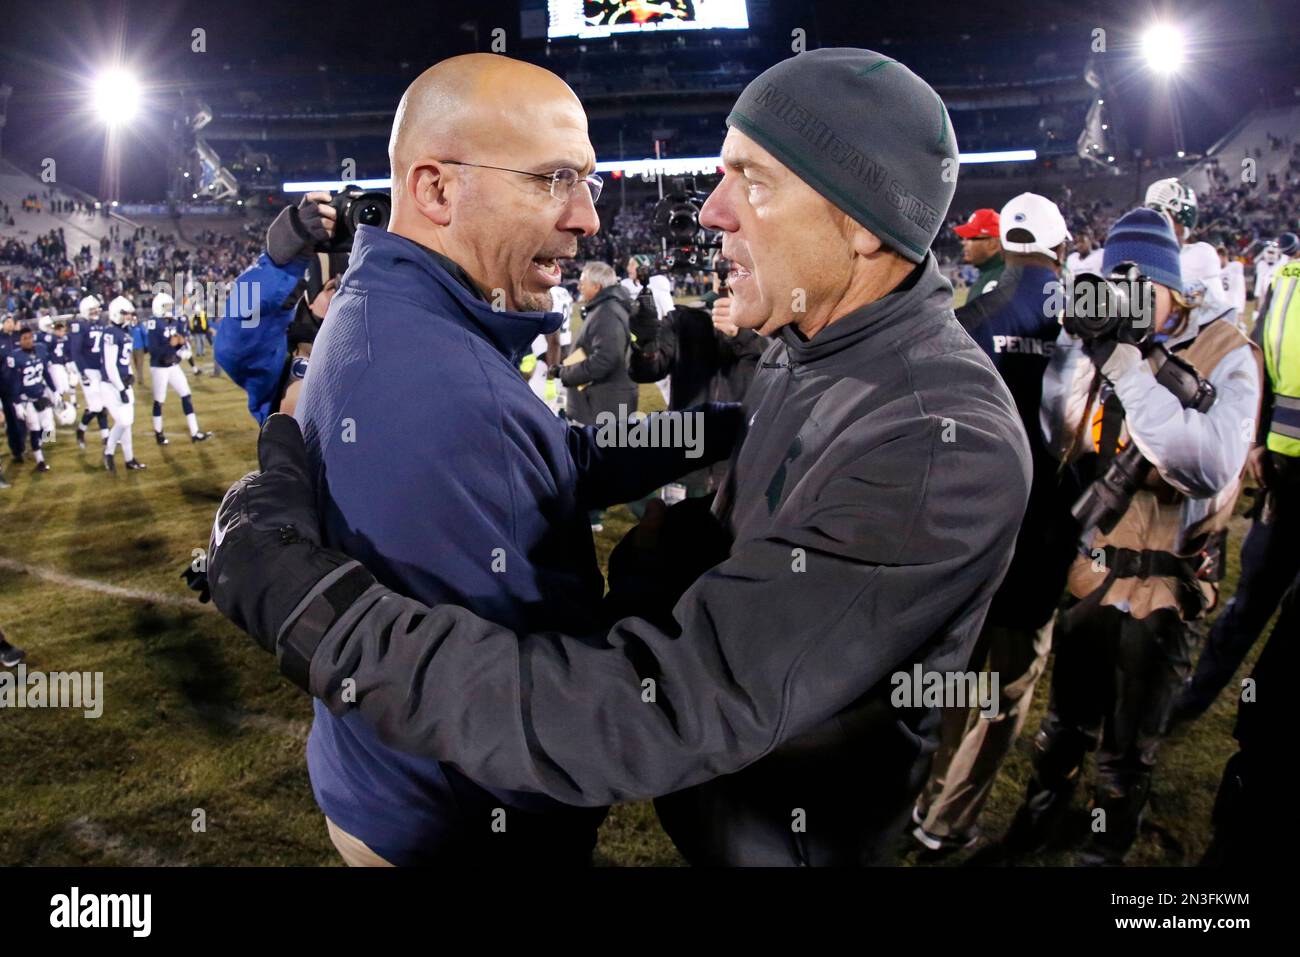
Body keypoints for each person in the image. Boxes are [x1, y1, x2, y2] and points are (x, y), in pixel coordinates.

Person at [204, 48, 1032, 867]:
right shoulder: (814, 337)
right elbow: (562, 458)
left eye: (753, 180)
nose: (710, 212)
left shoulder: (938, 444)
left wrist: (317, 615)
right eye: (552, 178)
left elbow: (650, 708)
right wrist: (709, 436)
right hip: (646, 813)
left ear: (860, 223)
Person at [211, 53, 740, 868]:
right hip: (459, 831)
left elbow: (562, 456)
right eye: (555, 178)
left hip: (384, 788)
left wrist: (713, 430)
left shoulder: (387, 305)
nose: (588, 218)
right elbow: (538, 709)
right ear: (435, 189)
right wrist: (661, 567)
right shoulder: (455, 394)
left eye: (588, 182)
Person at [1005, 208, 1262, 864]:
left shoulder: (1231, 351)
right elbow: (1062, 434)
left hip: (1171, 585)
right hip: (1095, 568)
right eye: (1110, 281)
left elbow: (1203, 460)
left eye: (1134, 283)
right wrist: (1083, 352)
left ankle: (1105, 850)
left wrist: (1125, 362)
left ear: (1172, 287)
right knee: (1064, 725)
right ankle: (1040, 816)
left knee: (1127, 745)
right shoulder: (1107, 335)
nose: (1118, 295)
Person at [914, 193, 1081, 852]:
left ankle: (921, 792)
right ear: (1060, 246)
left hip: (966, 525)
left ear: (1005, 244)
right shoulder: (1076, 308)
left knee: (958, 669)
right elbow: (1080, 432)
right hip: (1041, 528)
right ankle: (946, 820)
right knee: (1006, 687)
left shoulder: (973, 313)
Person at [1174, 256, 1300, 724]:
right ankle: (1190, 701)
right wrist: (1257, 438)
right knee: (1250, 598)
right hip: (1283, 478)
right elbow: (1263, 358)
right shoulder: (1287, 280)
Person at [215, 192, 340, 423]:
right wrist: (280, 266)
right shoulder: (282, 358)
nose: (345, 297)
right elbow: (233, 342)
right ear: (309, 299)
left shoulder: (388, 342)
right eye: (335, 286)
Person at [145, 292, 211, 445]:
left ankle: (195, 432)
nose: (170, 309)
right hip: (159, 367)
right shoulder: (155, 323)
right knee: (159, 401)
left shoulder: (173, 322)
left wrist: (181, 347)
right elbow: (153, 350)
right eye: (166, 306)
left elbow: (179, 341)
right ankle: (158, 433)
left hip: (173, 365)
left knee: (186, 395)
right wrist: (171, 344)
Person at [99, 296, 146, 473]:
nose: (128, 316)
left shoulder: (124, 332)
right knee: (124, 420)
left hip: (122, 382)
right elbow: (110, 365)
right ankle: (109, 451)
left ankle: (129, 459)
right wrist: (120, 388)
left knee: (128, 425)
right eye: (125, 313)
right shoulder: (111, 332)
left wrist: (131, 375)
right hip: (111, 385)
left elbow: (124, 361)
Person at [3, 326, 55, 472]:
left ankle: (37, 445)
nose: (28, 341)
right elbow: (13, 382)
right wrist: (18, 403)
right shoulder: (15, 357)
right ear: (19, 341)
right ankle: (40, 460)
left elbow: (46, 373)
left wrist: (54, 391)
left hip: (41, 395)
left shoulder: (40, 349)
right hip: (27, 400)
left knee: (49, 430)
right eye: (25, 338)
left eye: (30, 337)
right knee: (35, 428)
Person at [71, 295, 109, 450]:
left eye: (96, 309)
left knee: (102, 404)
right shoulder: (80, 326)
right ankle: (80, 431)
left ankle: (106, 436)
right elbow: (75, 351)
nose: (95, 312)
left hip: (99, 369)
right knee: (96, 406)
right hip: (85, 369)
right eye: (91, 309)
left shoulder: (101, 324)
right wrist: (82, 372)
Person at [952, 207, 1004, 301]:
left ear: (992, 243)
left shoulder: (1006, 277)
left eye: (970, 238)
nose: (963, 242)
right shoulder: (987, 272)